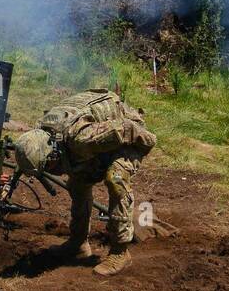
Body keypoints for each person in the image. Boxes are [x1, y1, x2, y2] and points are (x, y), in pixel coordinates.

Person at [13, 89, 156, 276]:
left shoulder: (81, 138)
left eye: (48, 166)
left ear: (53, 154)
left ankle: (120, 252)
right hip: (100, 138)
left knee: (116, 179)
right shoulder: (40, 136)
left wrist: (148, 141)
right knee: (78, 183)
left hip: (129, 133)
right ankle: (78, 244)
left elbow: (127, 129)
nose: (50, 170)